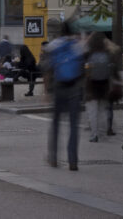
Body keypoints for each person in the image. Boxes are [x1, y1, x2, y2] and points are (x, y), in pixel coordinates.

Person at [43, 21, 84, 171]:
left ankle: (53, 157)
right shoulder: (77, 46)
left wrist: (47, 91)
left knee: (56, 123)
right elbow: (83, 68)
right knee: (73, 125)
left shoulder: (53, 45)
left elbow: (48, 69)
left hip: (59, 87)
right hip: (74, 88)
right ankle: (73, 161)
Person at [83, 32, 113, 143]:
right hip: (104, 86)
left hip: (91, 87)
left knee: (92, 112)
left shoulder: (88, 53)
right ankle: (103, 132)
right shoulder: (107, 53)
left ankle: (94, 134)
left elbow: (85, 71)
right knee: (103, 111)